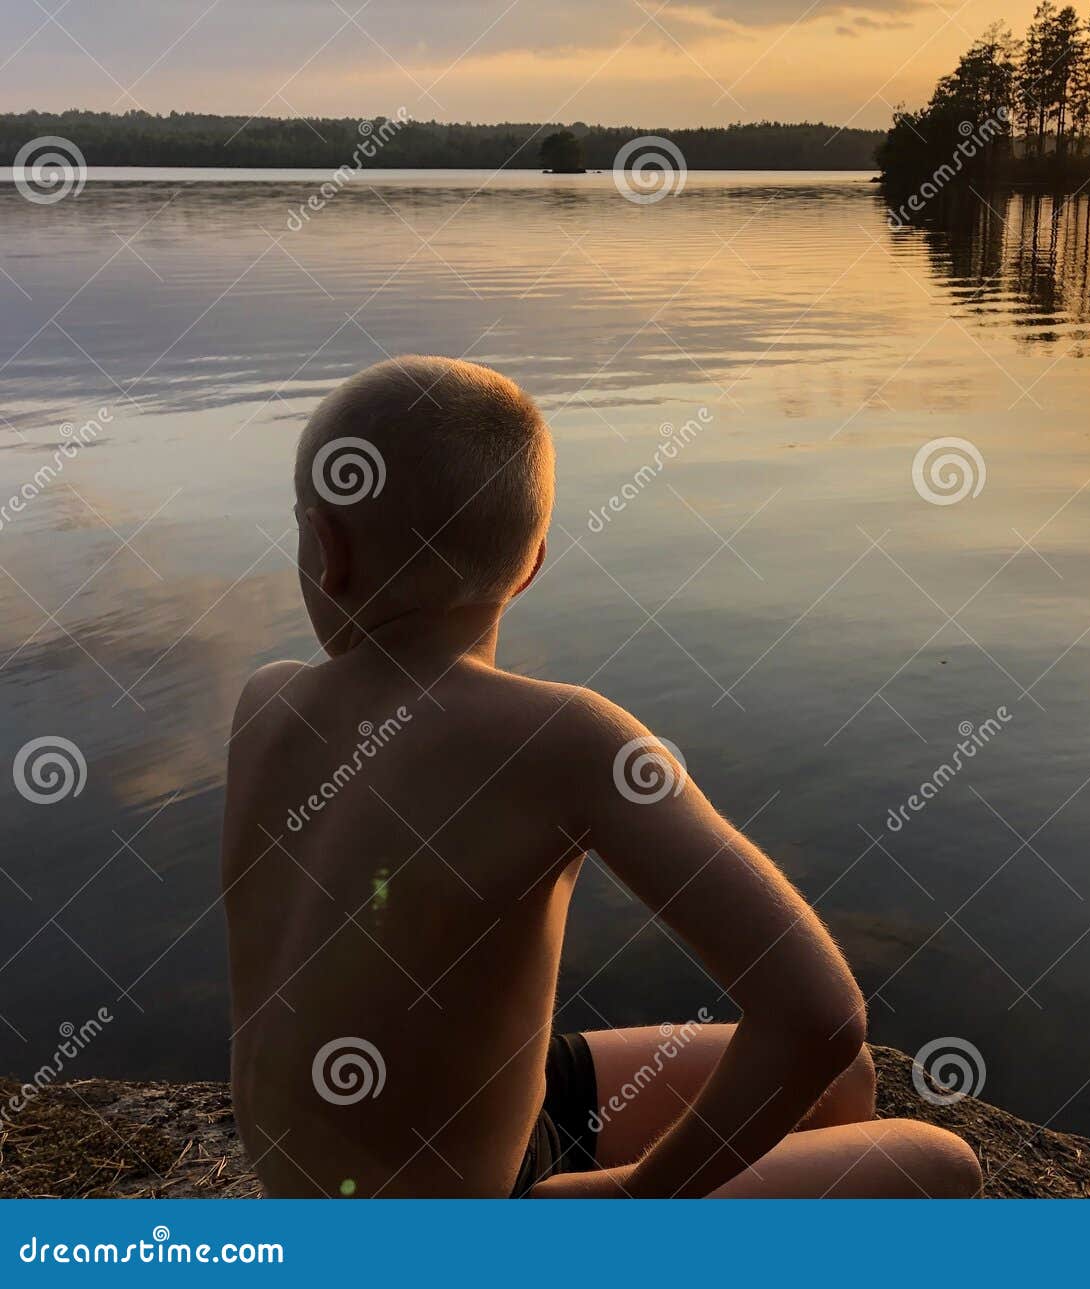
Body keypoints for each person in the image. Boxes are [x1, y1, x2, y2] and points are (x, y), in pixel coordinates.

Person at [221, 356, 982, 1199]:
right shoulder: (566, 738)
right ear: (533, 562)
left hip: (341, 1177)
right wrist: (635, 1203)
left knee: (845, 1086)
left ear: (324, 549)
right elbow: (819, 1012)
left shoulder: (265, 704)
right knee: (941, 1161)